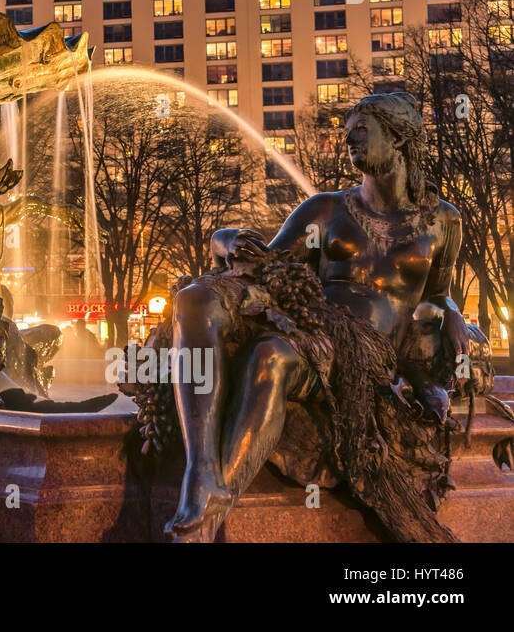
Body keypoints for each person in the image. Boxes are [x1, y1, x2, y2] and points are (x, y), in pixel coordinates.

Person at [159, 92, 471, 542]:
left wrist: (453, 313)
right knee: (194, 300)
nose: (349, 141)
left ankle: (208, 511)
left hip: (366, 350)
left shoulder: (444, 221)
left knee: (270, 356)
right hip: (313, 327)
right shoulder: (325, 210)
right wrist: (223, 239)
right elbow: (264, 263)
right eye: (346, 135)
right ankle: (201, 475)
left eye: (361, 131)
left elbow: (438, 295)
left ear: (400, 138)